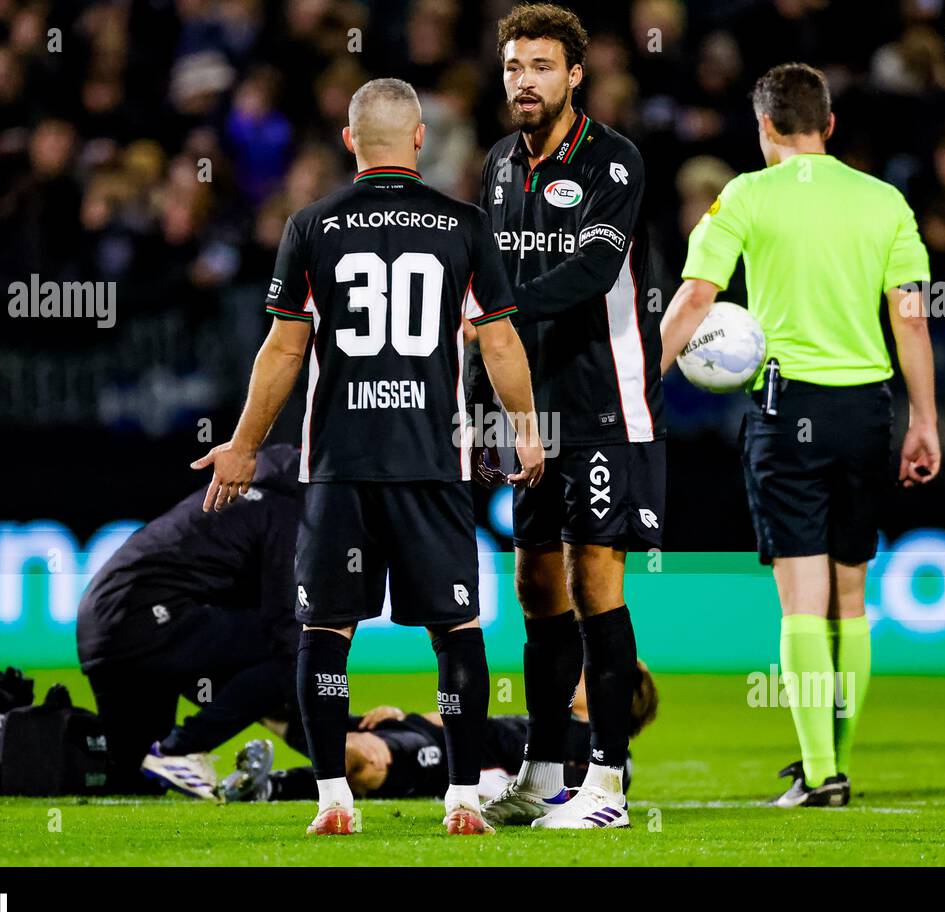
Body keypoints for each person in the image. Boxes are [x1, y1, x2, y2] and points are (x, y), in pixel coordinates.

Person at [192, 78, 543, 836]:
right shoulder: (464, 224)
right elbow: (501, 339)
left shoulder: (311, 225)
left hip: (341, 469)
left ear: (351, 142)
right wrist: (525, 427)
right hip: (430, 466)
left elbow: (284, 350)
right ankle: (459, 796)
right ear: (420, 139)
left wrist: (244, 447)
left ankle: (332, 799)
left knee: (325, 634)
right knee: (456, 633)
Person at [659, 63, 938, 808]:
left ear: (764, 128)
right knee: (851, 597)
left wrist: (641, 378)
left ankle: (820, 775)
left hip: (789, 416)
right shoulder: (885, 201)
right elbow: (910, 317)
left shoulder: (746, 195)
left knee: (802, 603)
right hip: (868, 412)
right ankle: (835, 762)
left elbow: (694, 297)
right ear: (830, 125)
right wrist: (927, 420)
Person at [469, 2, 665, 832]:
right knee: (535, 586)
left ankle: (609, 785)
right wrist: (487, 406)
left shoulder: (612, 163)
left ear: (574, 75)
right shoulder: (498, 167)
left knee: (594, 586)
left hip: (602, 405)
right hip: (530, 411)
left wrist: (497, 313)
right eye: (515, 66)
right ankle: (544, 771)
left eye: (541, 67)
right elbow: (486, 289)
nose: (525, 80)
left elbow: (592, 270)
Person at [76, 444, 303, 800]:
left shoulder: (243, 492)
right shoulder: (286, 508)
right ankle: (180, 751)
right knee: (296, 651)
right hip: (148, 622)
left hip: (103, 632)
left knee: (135, 782)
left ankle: (165, 755)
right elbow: (285, 633)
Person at [219, 666, 659, 805]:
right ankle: (225, 717)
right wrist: (410, 716)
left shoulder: (600, 755)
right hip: (436, 736)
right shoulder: (550, 723)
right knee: (336, 728)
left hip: (446, 760)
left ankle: (269, 784)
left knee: (371, 758)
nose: (582, 669)